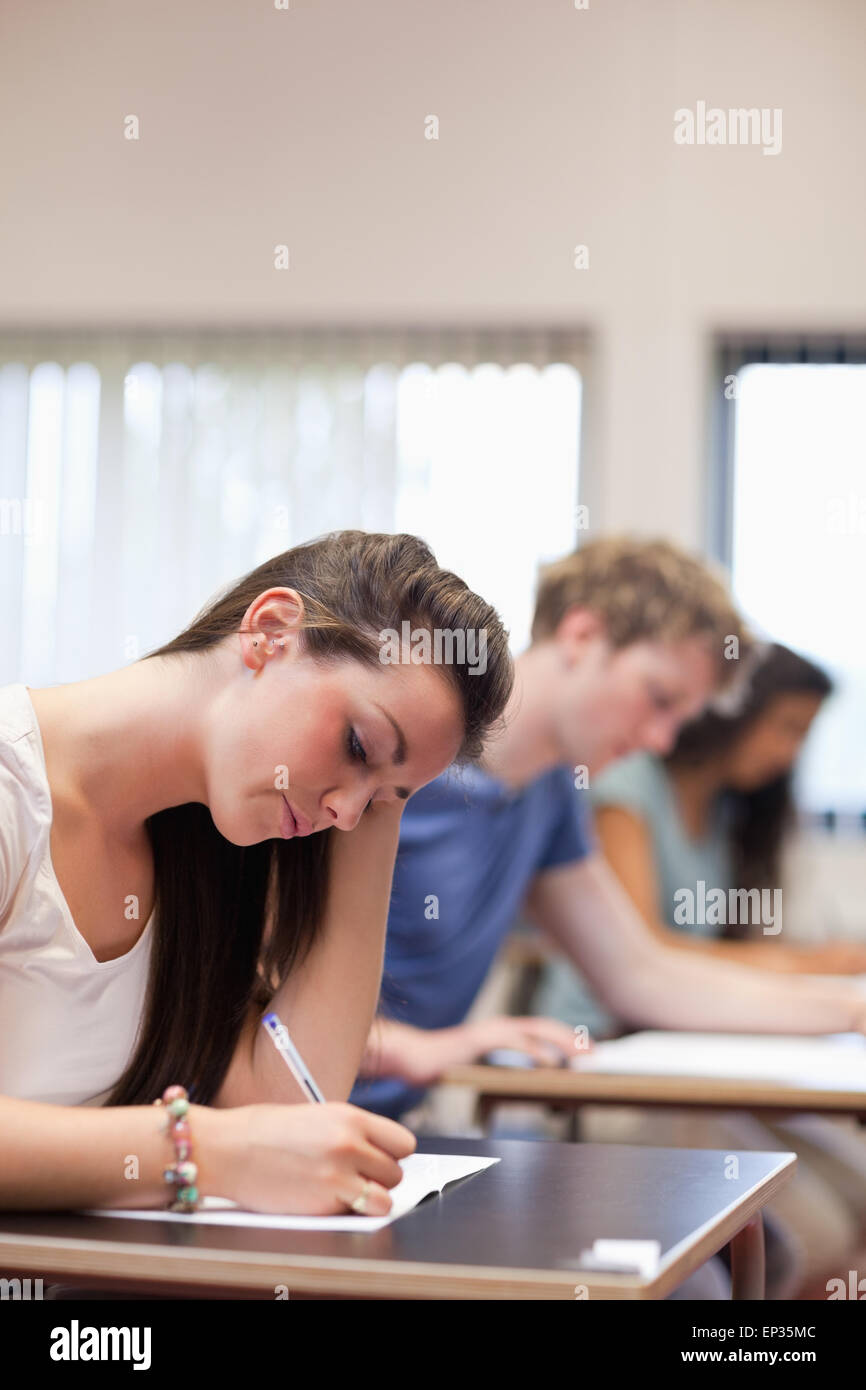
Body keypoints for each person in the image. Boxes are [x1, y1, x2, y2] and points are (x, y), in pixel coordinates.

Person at [348, 539, 866, 1298]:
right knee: (703, 1280)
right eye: (659, 700)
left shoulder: (551, 792)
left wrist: (849, 1005)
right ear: (582, 636)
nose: (662, 740)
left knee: (755, 1247)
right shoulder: (397, 759)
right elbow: (263, 1010)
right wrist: (423, 1046)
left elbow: (640, 972)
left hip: (403, 1137)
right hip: (327, 1124)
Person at [0, 529, 513, 1220]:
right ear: (270, 633)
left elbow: (292, 1106)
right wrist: (205, 1150)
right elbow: (251, 1143)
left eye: (383, 798)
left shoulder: (209, 847)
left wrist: (387, 792)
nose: (344, 810)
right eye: (356, 745)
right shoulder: (14, 791)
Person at [532, 639, 866, 1295]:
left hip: (700, 1050)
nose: (789, 754)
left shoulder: (725, 812)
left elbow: (713, 954)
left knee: (853, 1194)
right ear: (732, 712)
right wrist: (815, 968)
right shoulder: (625, 789)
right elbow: (648, 952)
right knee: (813, 1229)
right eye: (786, 728)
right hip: (612, 1053)